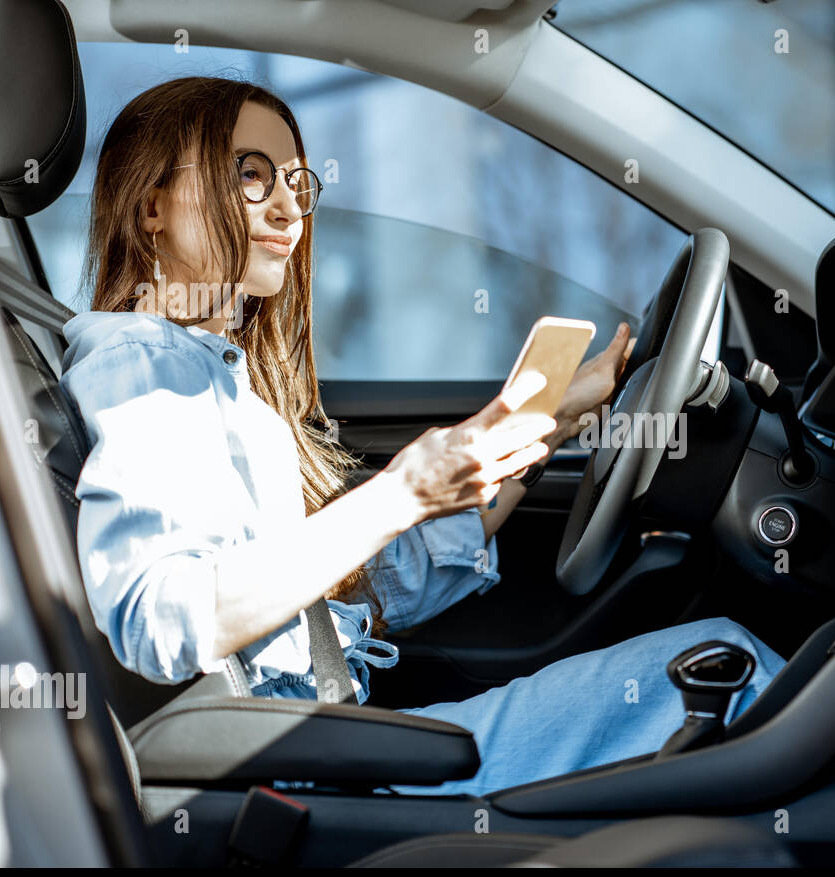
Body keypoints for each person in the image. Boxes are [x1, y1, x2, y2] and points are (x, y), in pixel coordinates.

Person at [58, 76, 787, 796]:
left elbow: (359, 596)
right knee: (729, 667)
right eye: (251, 176)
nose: (288, 207)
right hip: (301, 780)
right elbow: (162, 617)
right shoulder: (147, 366)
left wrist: (552, 419)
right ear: (152, 206)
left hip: (329, 753)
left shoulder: (213, 374)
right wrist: (401, 493)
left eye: (297, 183)